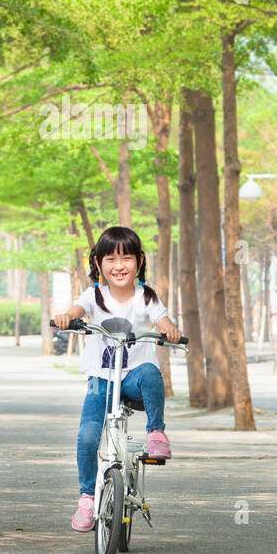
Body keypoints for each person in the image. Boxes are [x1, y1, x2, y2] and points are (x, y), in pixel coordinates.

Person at [52, 226, 181, 532]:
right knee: (87, 437)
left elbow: (162, 319)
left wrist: (169, 328)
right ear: (98, 263)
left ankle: (156, 433)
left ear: (139, 260)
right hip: (101, 379)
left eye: (126, 258)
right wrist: (65, 317)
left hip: (133, 379)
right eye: (110, 258)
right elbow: (76, 311)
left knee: (151, 372)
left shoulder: (146, 296)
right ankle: (86, 496)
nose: (119, 265)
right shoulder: (93, 295)